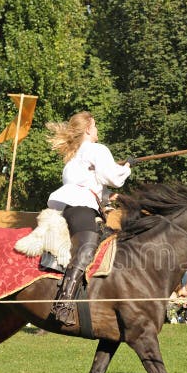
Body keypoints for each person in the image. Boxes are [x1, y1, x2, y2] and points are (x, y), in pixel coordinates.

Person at [45, 112, 132, 325]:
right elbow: (112, 177)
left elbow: (93, 185)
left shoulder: (74, 158)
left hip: (73, 205)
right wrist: (126, 169)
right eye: (94, 125)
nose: (97, 129)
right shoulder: (97, 149)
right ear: (87, 129)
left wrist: (106, 197)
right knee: (87, 245)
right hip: (79, 206)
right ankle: (63, 304)